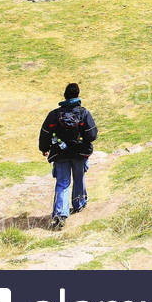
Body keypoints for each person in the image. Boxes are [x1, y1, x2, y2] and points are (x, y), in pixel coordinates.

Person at [38, 82, 97, 231]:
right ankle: (79, 204)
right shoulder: (84, 113)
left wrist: (44, 149)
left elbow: (45, 133)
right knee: (79, 178)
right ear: (77, 95)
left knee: (62, 183)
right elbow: (92, 134)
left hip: (60, 153)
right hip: (79, 153)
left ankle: (60, 214)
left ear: (64, 96)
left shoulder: (54, 115)